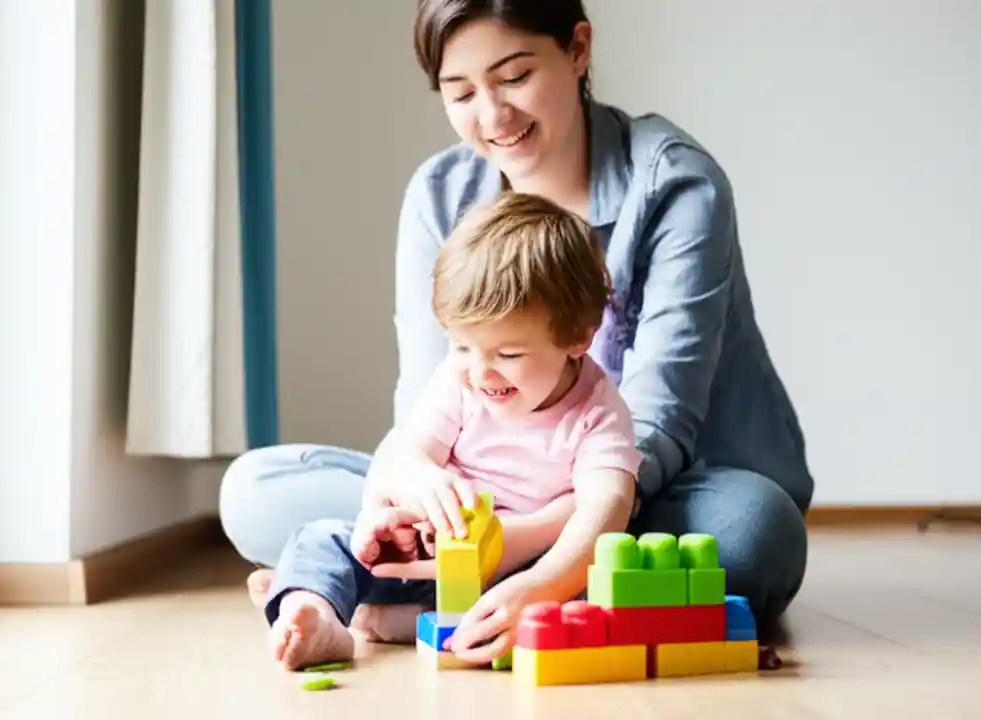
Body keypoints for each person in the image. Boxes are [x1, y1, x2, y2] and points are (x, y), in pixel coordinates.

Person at [221, 0, 813, 645]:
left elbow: (658, 421)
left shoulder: (674, 183)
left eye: (514, 77)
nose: (493, 115)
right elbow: (428, 396)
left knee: (754, 538)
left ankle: (428, 585)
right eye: (462, 91)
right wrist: (418, 487)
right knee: (253, 492)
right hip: (491, 492)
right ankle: (485, 582)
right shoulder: (440, 192)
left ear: (578, 50)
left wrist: (525, 537)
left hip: (657, 487)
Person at [266, 192, 641, 670]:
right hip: (437, 560)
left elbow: (606, 507)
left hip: (527, 570)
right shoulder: (457, 381)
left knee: (597, 588)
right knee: (322, 540)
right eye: (461, 346)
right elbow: (407, 452)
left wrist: (539, 583)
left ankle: (391, 620)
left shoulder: (598, 412)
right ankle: (316, 614)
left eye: (507, 355)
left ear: (578, 338)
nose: (479, 372)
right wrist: (418, 486)